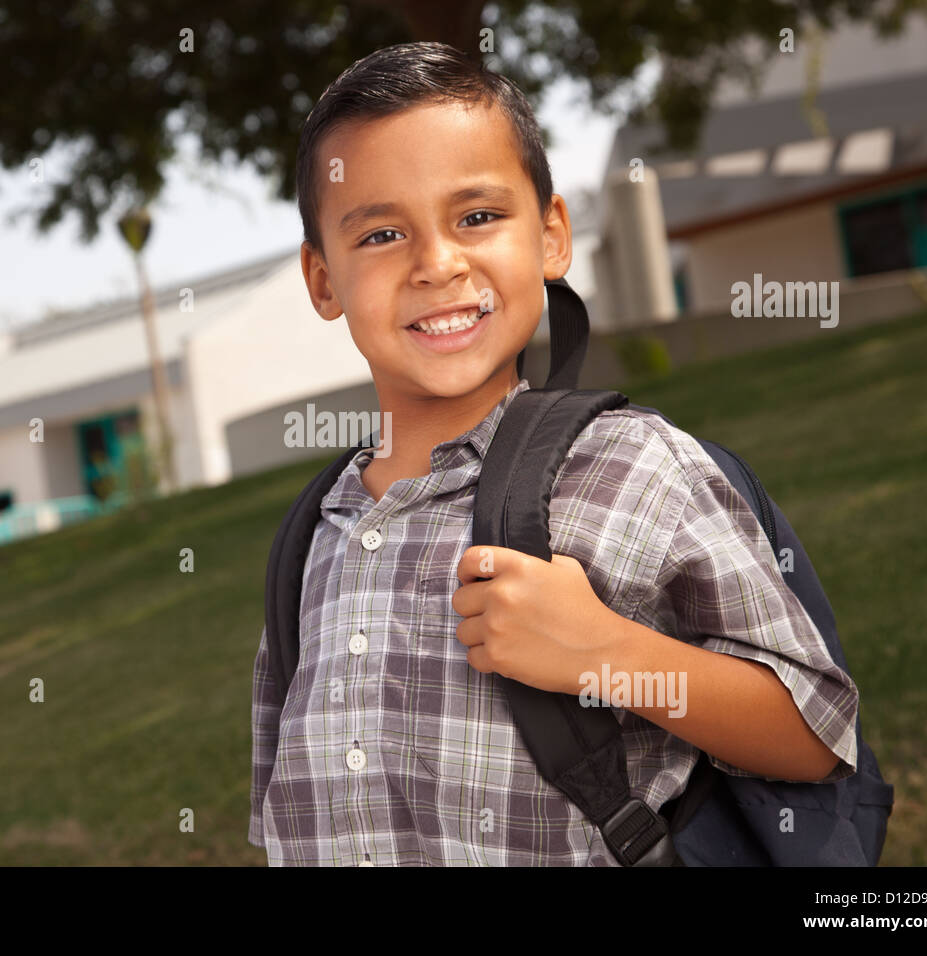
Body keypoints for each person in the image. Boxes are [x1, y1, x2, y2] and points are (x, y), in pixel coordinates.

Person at [249, 41, 858, 865]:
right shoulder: (311, 538)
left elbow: (813, 732)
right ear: (323, 281)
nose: (438, 264)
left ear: (551, 236)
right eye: (383, 233)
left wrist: (608, 653)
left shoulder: (632, 463)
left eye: (476, 216)